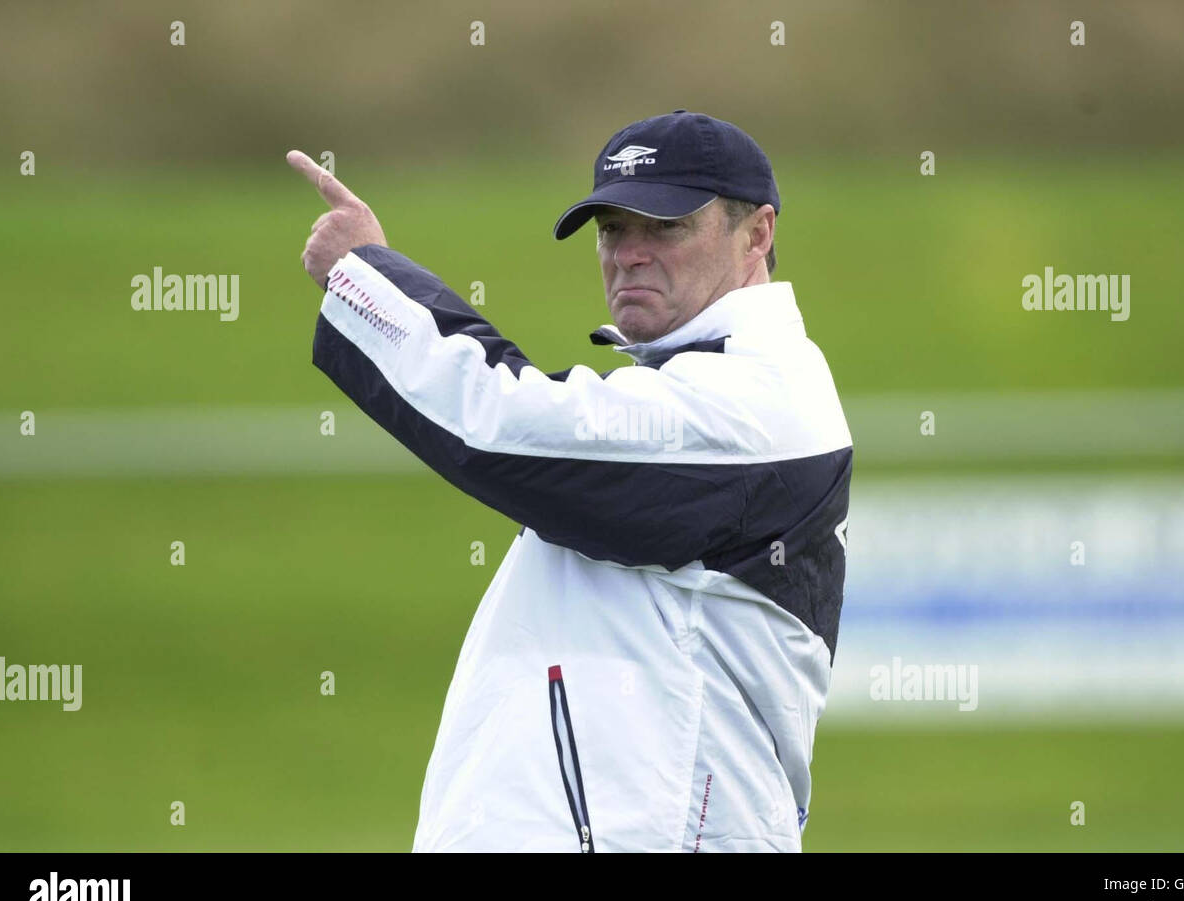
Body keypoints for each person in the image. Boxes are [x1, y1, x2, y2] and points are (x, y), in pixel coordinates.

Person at [287, 109, 853, 852]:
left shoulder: (753, 398)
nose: (629, 254)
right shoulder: (718, 387)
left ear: (758, 234)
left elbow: (495, 419)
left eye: (666, 225)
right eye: (613, 228)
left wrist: (366, 275)